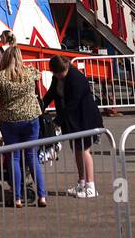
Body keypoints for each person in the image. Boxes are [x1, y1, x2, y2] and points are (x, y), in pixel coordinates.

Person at [42, 55, 103, 198]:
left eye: (60, 73)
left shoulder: (77, 78)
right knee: (76, 149)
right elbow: (51, 93)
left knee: (84, 150)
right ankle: (82, 183)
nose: (58, 76)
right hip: (72, 120)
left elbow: (73, 103)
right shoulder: (57, 78)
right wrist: (41, 106)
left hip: (85, 118)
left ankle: (91, 186)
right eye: (56, 74)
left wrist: (58, 121)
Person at [0, 44, 47, 208]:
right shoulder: (30, 72)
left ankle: (17, 197)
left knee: (14, 158)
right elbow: (40, 75)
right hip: (31, 117)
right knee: (33, 157)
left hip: (9, 120)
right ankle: (42, 195)